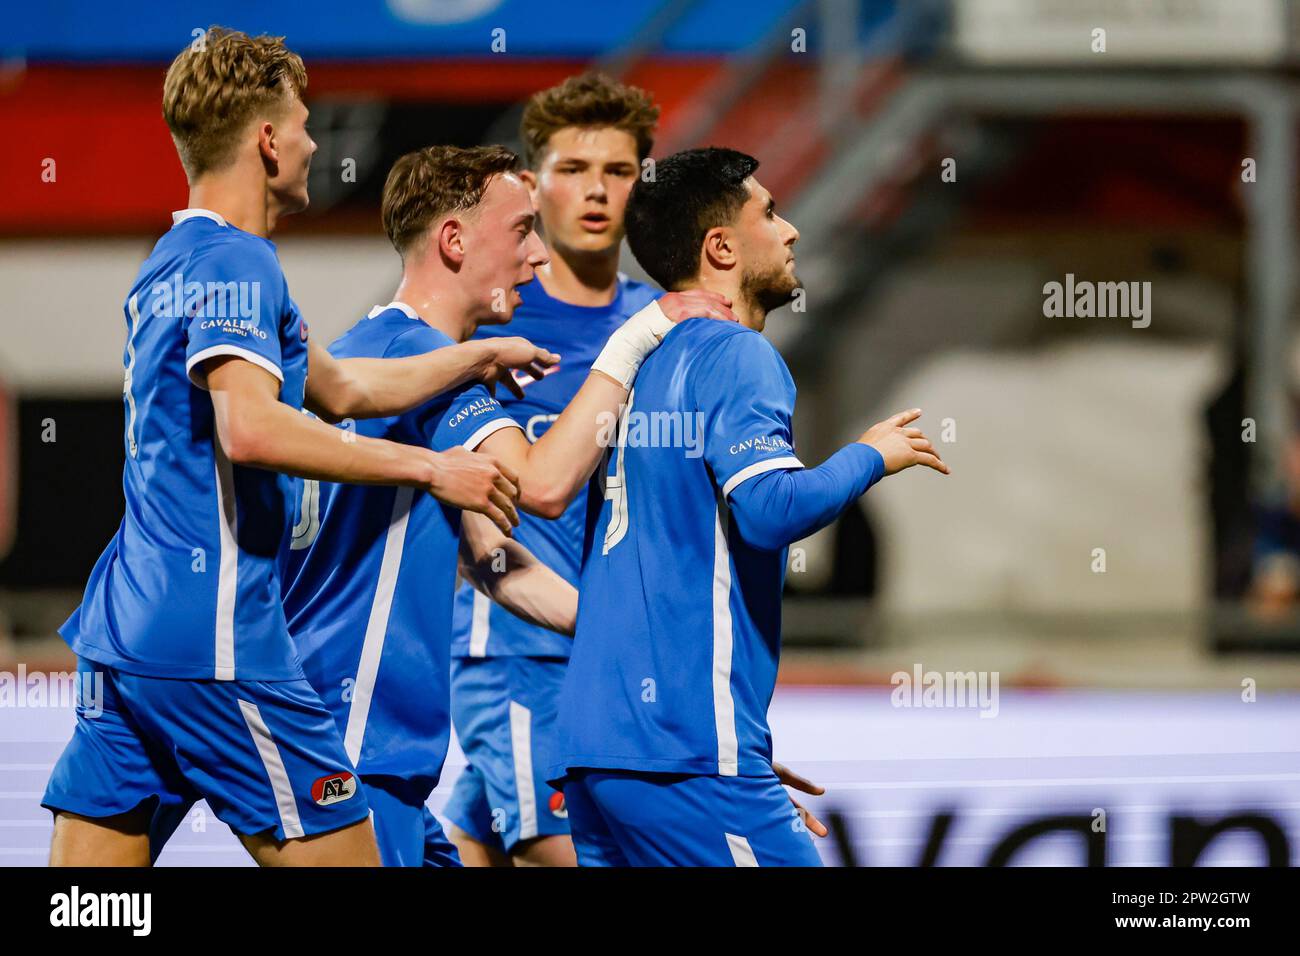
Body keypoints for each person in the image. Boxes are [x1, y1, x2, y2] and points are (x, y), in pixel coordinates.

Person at [42, 27, 554, 867]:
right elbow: (250, 429)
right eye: (305, 124)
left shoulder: (173, 258)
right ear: (268, 142)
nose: (316, 143)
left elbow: (344, 390)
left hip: (124, 633)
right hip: (216, 639)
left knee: (89, 911)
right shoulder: (240, 263)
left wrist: (478, 355)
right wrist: (432, 466)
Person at [280, 143, 733, 865]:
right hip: (356, 734)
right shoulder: (420, 361)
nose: (538, 256)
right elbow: (542, 486)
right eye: (522, 230)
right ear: (454, 242)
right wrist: (640, 336)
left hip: (370, 743)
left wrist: (630, 638)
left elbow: (491, 562)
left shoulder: (373, 351)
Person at [549, 147, 950, 866]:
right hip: (685, 747)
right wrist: (870, 456)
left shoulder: (633, 369)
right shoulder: (736, 355)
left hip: (599, 748)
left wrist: (739, 757)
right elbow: (770, 509)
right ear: (722, 247)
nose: (791, 230)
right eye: (770, 212)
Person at [443, 73, 662, 867]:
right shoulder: (486, 326)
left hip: (617, 652)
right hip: (516, 648)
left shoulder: (665, 322)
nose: (596, 191)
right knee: (569, 853)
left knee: (476, 843)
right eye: (573, 169)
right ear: (534, 185)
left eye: (618, 171)